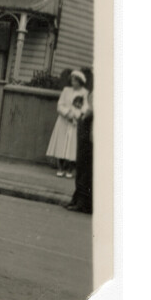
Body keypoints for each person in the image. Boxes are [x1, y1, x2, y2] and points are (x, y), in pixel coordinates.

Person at [47, 70, 90, 178]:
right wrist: (67, 114)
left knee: (72, 145)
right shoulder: (66, 90)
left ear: (80, 82)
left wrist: (76, 115)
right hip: (64, 120)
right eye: (72, 80)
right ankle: (60, 168)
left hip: (75, 122)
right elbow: (60, 104)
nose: (73, 82)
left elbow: (85, 107)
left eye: (75, 81)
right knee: (61, 144)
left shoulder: (85, 92)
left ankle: (70, 169)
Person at [66, 70, 95, 213]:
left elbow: (91, 110)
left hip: (88, 130)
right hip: (87, 129)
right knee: (84, 167)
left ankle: (82, 201)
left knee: (84, 167)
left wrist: (83, 117)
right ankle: (79, 199)